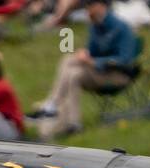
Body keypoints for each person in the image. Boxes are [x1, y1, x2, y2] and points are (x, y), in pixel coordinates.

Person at [29, 0, 141, 141]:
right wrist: (85, 54)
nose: (87, 10)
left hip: (118, 75)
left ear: (100, 6)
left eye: (90, 6)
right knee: (70, 63)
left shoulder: (121, 27)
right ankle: (70, 120)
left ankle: (56, 108)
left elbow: (124, 61)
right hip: (100, 72)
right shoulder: (95, 25)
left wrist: (94, 62)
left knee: (74, 73)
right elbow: (92, 51)